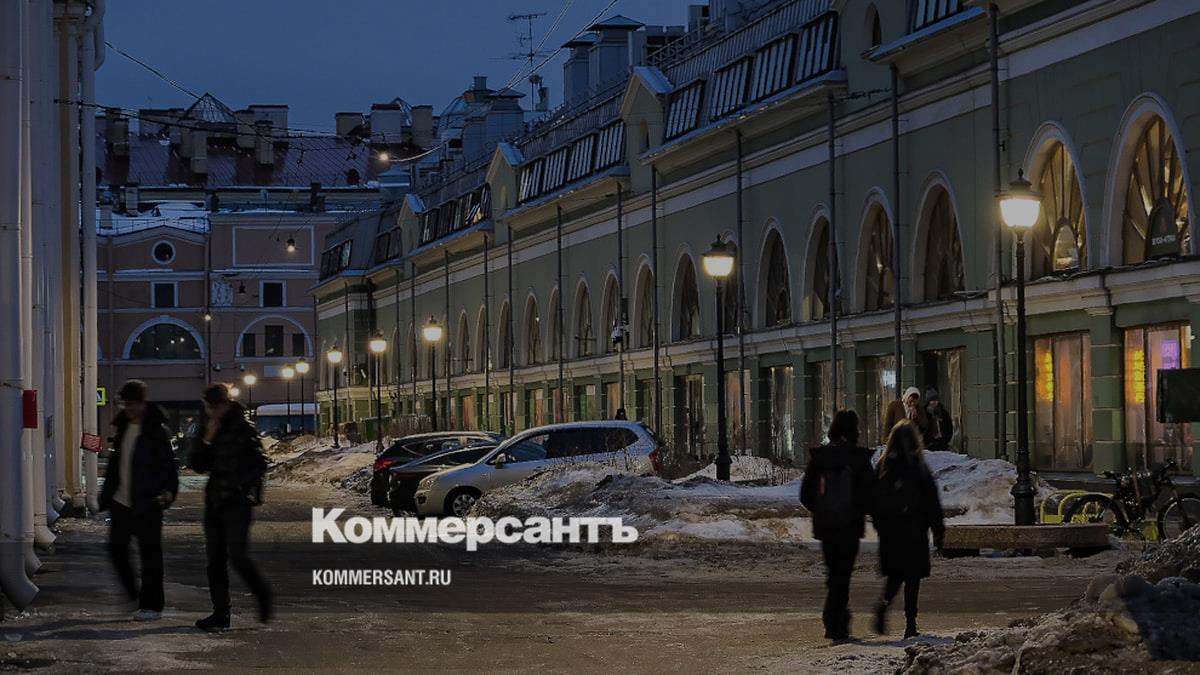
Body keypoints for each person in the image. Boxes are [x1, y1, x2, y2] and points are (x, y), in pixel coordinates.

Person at [189, 384, 272, 632]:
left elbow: (259, 463)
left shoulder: (243, 428)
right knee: (214, 560)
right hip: (215, 501)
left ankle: (263, 595)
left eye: (216, 407)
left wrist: (239, 486)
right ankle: (220, 613)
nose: (213, 412)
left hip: (237, 503)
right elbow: (196, 465)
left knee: (238, 556)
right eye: (209, 407)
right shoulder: (208, 428)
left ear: (226, 404)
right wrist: (207, 439)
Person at [98, 380, 179, 622]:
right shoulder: (123, 428)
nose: (129, 409)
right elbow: (116, 465)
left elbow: (168, 468)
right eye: (126, 404)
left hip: (147, 503)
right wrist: (107, 495)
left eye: (133, 404)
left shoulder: (156, 431)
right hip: (121, 501)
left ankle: (152, 605)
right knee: (116, 549)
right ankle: (134, 595)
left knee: (150, 556)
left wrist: (165, 496)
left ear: (143, 402)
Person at [800, 410, 875, 642]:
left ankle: (837, 621)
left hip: (826, 527)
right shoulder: (857, 459)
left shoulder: (820, 458)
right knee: (843, 575)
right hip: (849, 526)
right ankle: (835, 623)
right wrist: (858, 510)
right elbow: (870, 495)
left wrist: (822, 510)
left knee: (835, 573)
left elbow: (805, 495)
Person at [872, 420, 945, 639]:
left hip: (891, 534)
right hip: (915, 532)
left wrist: (881, 526)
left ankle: (884, 604)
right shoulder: (919, 467)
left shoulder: (883, 467)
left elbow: (874, 501)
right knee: (912, 579)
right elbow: (932, 502)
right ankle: (910, 624)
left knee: (895, 576)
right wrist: (938, 531)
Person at [924, 388, 954, 453]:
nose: (935, 402)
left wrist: (946, 439)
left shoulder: (943, 413)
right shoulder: (924, 413)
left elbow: (949, 427)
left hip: (942, 444)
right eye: (932, 400)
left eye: (936, 400)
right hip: (929, 445)